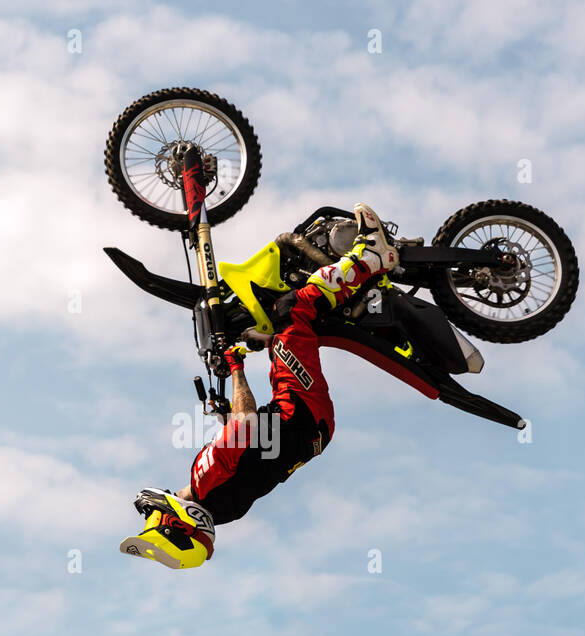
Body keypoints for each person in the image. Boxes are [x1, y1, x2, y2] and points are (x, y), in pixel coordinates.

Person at [122, 204, 400, 569]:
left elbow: (250, 452)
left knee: (276, 332)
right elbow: (247, 424)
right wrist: (236, 368)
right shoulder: (204, 482)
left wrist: (227, 416)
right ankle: (371, 258)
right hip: (297, 405)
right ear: (180, 523)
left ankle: (356, 293)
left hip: (312, 429)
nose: (156, 514)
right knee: (291, 311)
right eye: (157, 522)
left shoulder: (225, 511)